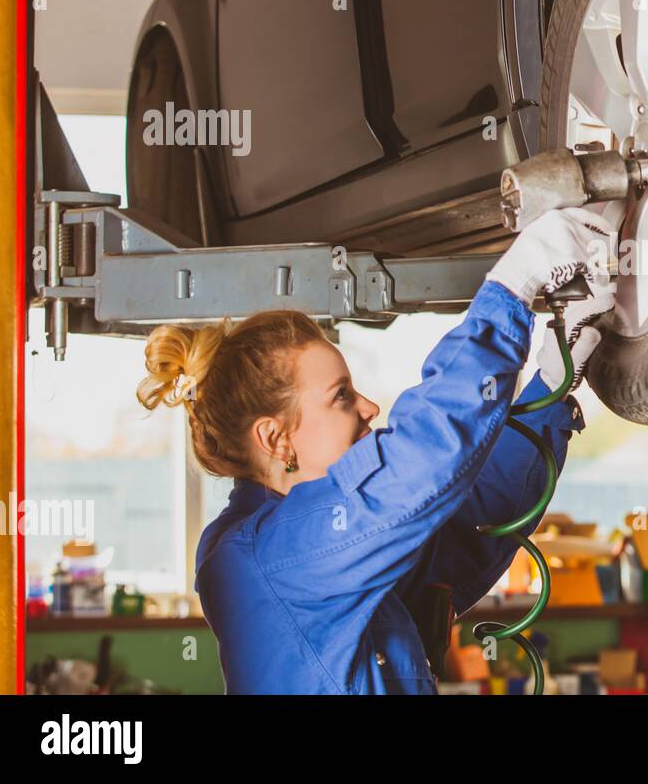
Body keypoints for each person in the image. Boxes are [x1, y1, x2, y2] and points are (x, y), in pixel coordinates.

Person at [135, 209, 615, 693]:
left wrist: (552, 386)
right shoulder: (272, 558)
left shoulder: (310, 552)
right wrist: (513, 285)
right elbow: (414, 465)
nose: (369, 406)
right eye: (341, 395)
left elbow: (462, 534)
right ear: (276, 439)